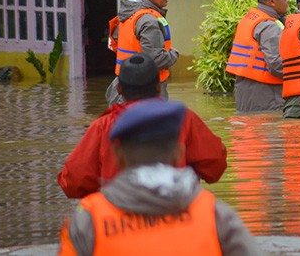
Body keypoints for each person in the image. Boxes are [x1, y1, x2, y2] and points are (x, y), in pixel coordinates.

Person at [57, 100, 259, 256]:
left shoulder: (88, 220)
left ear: (118, 155)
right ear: (178, 152)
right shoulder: (216, 215)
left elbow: (74, 178)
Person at [58, 54, 227, 199]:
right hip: (176, 215)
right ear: (158, 87)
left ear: (119, 89)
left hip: (118, 218)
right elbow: (215, 166)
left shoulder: (102, 126)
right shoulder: (183, 119)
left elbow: (73, 182)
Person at [106, 0, 178, 106]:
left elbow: (116, 41)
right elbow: (155, 58)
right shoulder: (149, 20)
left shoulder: (129, 14)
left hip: (124, 88)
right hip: (145, 93)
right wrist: (173, 55)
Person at [226, 0, 289, 112]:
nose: (288, 0)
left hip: (247, 91)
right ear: (272, 1)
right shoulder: (268, 26)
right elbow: (277, 65)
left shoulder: (250, 18)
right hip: (267, 95)